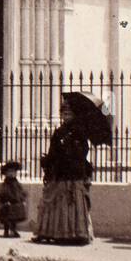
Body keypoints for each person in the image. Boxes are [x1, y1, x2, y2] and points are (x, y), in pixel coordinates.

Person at [32, 98, 93, 245]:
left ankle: (76, 234)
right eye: (64, 114)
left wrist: (70, 147)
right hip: (59, 172)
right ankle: (54, 233)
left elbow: (83, 151)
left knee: (73, 203)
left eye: (69, 114)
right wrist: (48, 161)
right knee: (54, 201)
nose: (66, 117)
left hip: (75, 173)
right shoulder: (59, 133)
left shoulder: (80, 132)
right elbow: (53, 152)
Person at [0, 160, 27, 238]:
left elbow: (21, 192)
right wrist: (5, 201)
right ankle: (6, 231)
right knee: (6, 218)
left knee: (14, 218)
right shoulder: (6, 183)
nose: (11, 173)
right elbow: (3, 192)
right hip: (8, 203)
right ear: (6, 173)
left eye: (13, 171)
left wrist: (22, 200)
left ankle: (13, 230)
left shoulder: (17, 183)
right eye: (9, 172)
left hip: (16, 203)